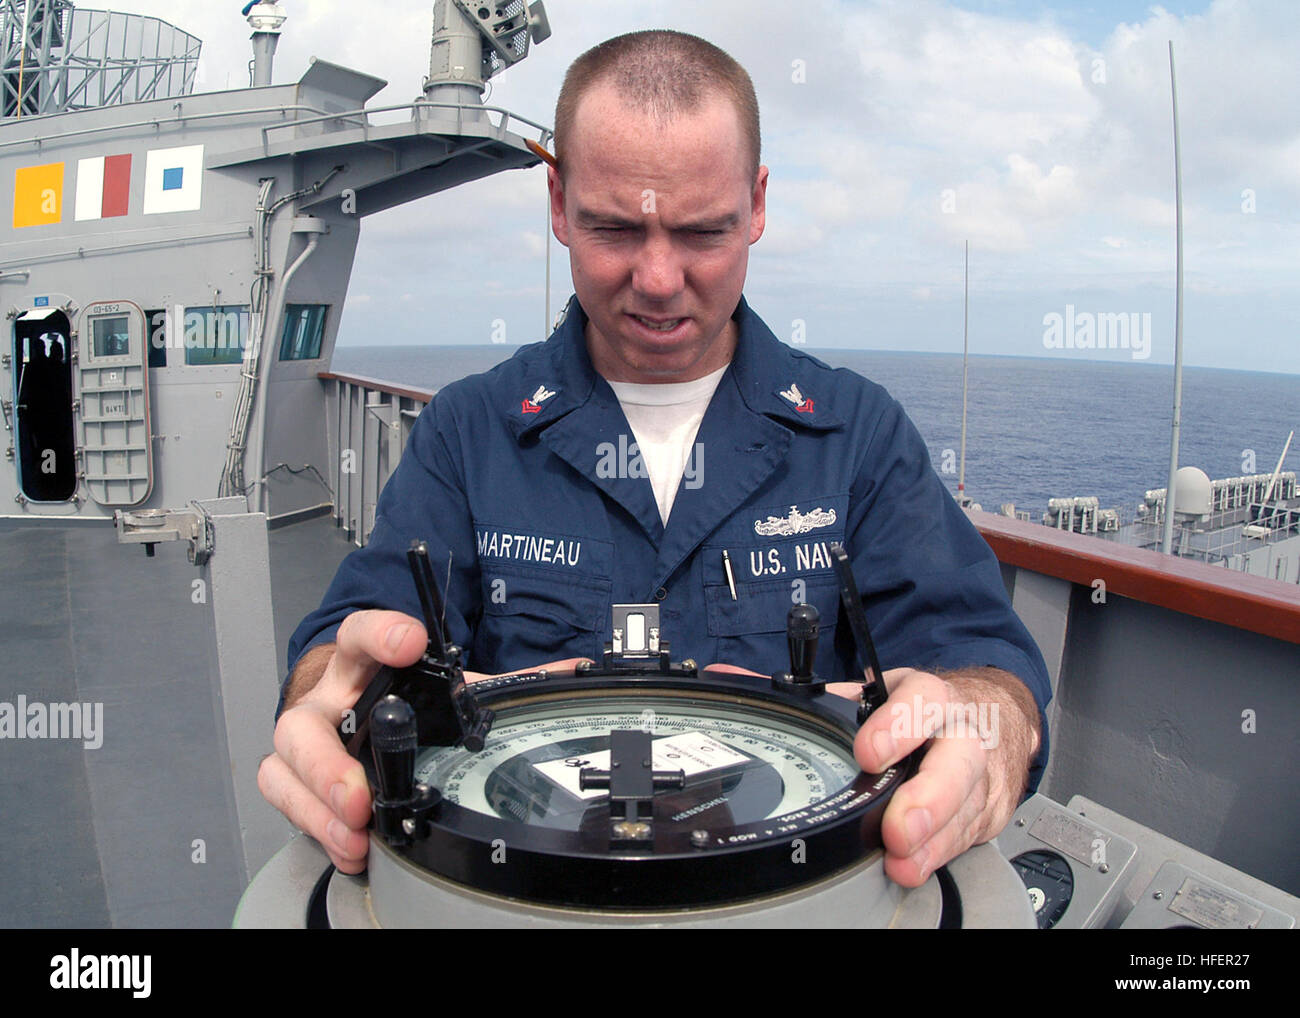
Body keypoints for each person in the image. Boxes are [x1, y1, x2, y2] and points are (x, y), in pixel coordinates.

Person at [260, 29, 1050, 893]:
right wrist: (334, 700)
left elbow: (986, 663)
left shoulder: (858, 435)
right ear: (557, 202)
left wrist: (989, 741)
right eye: (612, 228)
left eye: (703, 231)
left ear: (756, 204)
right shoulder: (467, 431)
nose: (661, 278)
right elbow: (340, 651)